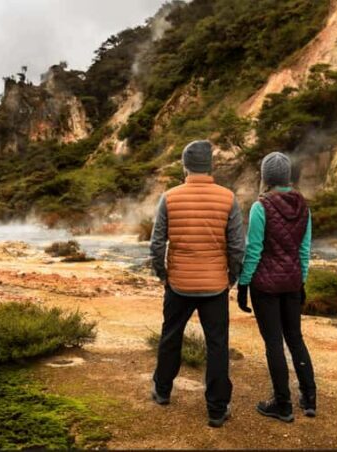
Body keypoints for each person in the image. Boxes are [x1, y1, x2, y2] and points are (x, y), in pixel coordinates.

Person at [149, 140, 245, 428]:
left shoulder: (169, 197)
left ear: (185, 166)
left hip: (178, 283)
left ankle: (162, 391)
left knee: (170, 337)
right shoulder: (228, 198)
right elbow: (237, 247)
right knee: (217, 345)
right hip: (215, 285)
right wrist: (231, 277)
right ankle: (216, 409)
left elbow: (157, 244)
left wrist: (163, 275)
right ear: (210, 166)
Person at [236, 151, 317, 423]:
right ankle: (309, 397)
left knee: (274, 343)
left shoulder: (261, 207)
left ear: (266, 178)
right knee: (295, 338)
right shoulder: (304, 207)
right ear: (287, 177)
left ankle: (282, 404)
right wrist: (301, 281)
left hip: (266, 287)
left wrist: (243, 284)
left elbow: (254, 250)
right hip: (292, 283)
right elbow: (304, 251)